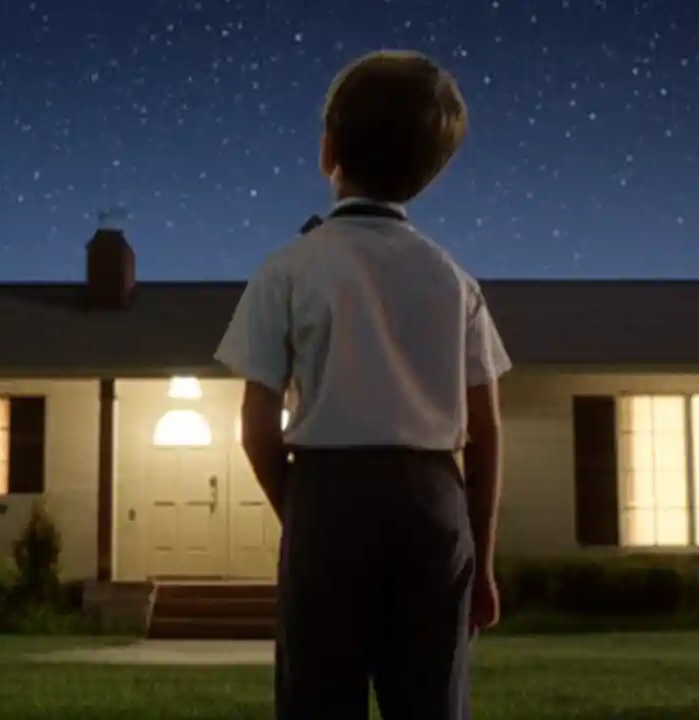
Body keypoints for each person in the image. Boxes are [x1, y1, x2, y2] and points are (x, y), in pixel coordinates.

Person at [214, 49, 511, 720]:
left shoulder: (289, 269)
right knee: (429, 701)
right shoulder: (453, 280)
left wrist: (305, 514)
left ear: (328, 152)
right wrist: (483, 561)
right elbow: (487, 428)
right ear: (430, 173)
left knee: (318, 699)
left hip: (328, 493)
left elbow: (257, 424)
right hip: (434, 500)